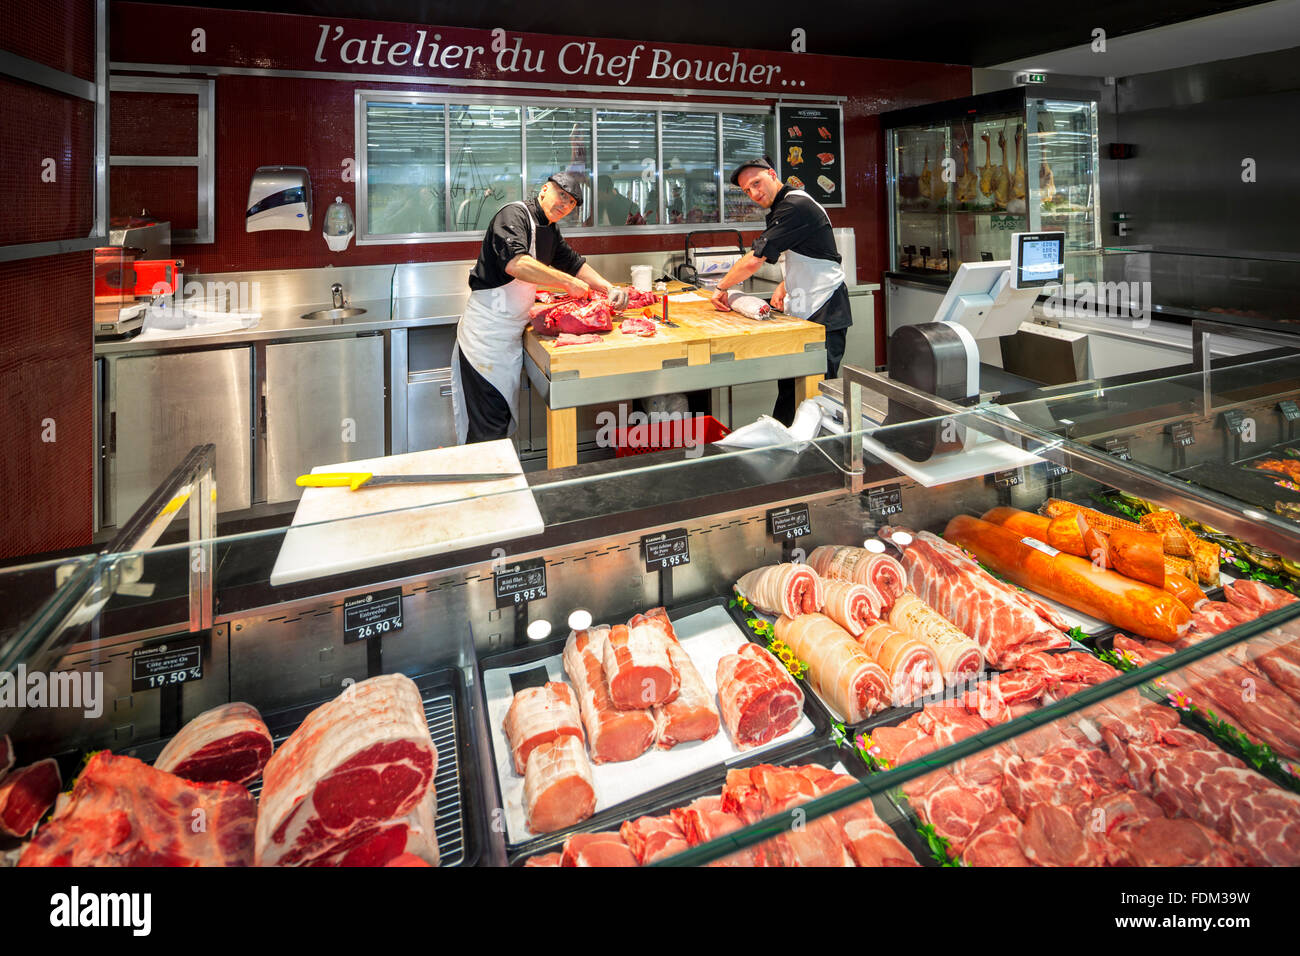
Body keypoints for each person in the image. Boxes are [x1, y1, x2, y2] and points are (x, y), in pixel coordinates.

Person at [451, 171, 628, 445]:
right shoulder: (514, 215)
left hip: (509, 339)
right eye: (562, 196)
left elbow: (573, 263)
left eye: (571, 203)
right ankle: (483, 485)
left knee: (501, 421)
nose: (565, 205)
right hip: (484, 340)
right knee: (487, 429)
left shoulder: (549, 229)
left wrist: (608, 287)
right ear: (545, 190)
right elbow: (516, 263)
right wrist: (567, 283)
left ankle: (500, 483)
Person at [710, 157, 851, 425]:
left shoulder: (795, 206)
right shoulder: (784, 206)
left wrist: (720, 288)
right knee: (791, 391)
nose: (753, 193)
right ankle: (787, 449)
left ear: (773, 174)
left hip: (826, 309)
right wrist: (785, 284)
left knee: (814, 394)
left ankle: (812, 456)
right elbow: (812, 251)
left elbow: (755, 259)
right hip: (806, 308)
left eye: (756, 183)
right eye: (747, 190)